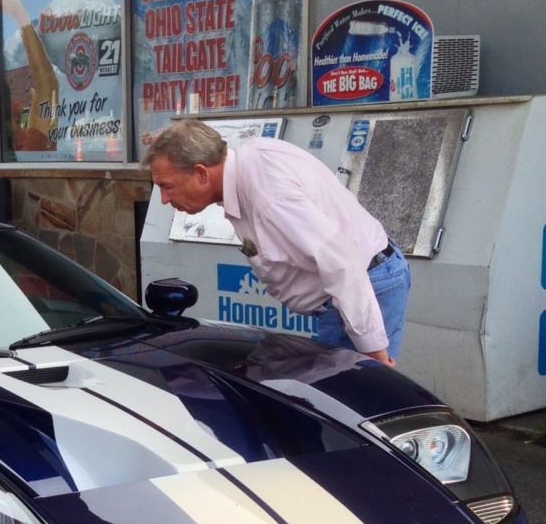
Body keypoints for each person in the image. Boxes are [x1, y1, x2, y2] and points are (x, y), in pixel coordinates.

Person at [143, 119, 410, 366]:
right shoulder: (251, 163)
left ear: (201, 173)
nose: (164, 199)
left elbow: (342, 262)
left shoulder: (268, 198)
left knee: (353, 401)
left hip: (363, 286)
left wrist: (373, 356)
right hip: (356, 286)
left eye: (167, 186)